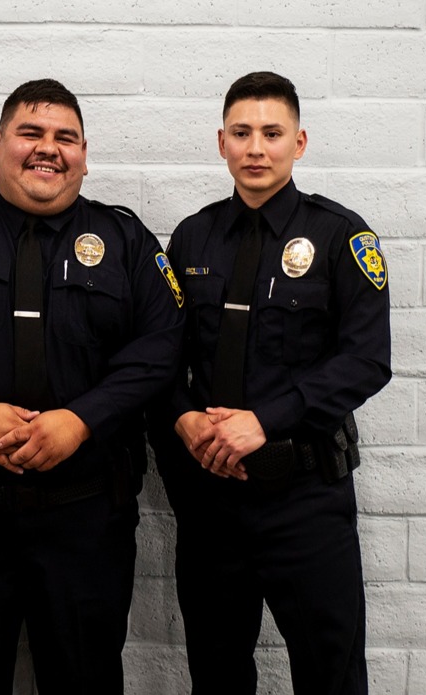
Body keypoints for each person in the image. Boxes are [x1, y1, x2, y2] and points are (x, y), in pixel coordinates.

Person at [0, 79, 186, 694]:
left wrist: (81, 420)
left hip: (87, 520)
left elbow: (164, 344)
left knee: (86, 680)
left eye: (65, 137)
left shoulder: (125, 241)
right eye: (31, 133)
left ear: (83, 154)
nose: (48, 149)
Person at [151, 71, 392, 694]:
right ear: (221, 142)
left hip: (305, 498)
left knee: (331, 672)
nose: (256, 148)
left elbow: (367, 359)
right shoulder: (191, 238)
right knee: (217, 670)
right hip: (212, 504)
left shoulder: (343, 237)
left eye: (272, 132)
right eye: (242, 132)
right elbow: (160, 355)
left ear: (300, 142)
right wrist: (182, 416)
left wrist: (266, 420)